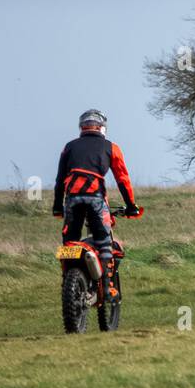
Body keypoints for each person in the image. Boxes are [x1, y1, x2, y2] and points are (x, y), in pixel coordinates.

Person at [52, 110, 139, 294]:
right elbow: (122, 179)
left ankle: (67, 283)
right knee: (104, 240)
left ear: (81, 127)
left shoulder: (68, 147)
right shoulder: (111, 147)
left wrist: (57, 207)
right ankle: (108, 287)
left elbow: (60, 180)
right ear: (102, 127)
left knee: (69, 241)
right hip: (96, 199)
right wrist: (131, 206)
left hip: (72, 199)